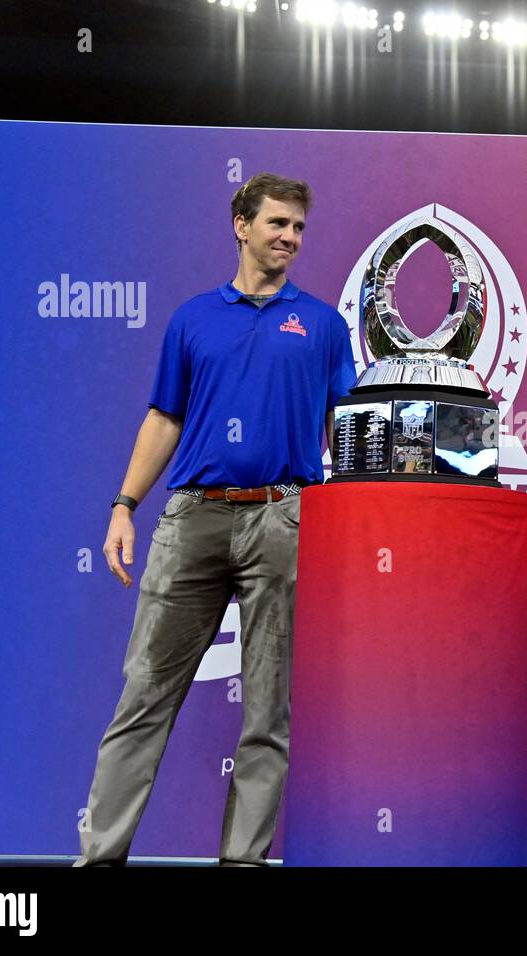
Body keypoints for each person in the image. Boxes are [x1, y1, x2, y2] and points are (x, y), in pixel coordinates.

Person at [77, 172, 356, 866]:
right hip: (192, 518)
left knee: (268, 713)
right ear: (241, 224)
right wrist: (123, 505)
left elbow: (343, 426)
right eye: (277, 224)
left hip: (284, 521)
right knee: (143, 695)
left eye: (298, 228)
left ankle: (243, 863)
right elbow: (164, 417)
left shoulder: (322, 324)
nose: (289, 238)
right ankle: (99, 858)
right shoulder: (192, 318)